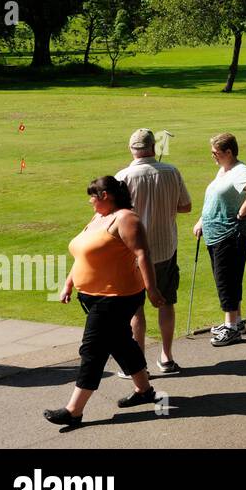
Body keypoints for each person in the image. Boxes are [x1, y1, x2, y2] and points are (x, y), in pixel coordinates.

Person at [44, 177, 163, 428]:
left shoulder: (126, 218)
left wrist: (152, 290)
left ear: (106, 195)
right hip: (93, 296)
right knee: (120, 343)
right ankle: (145, 391)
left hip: (117, 298)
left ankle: (73, 411)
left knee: (92, 350)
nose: (90, 201)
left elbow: (142, 254)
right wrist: (68, 284)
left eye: (93, 196)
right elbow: (83, 254)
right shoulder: (98, 218)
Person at [115, 129, 191, 376]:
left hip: (133, 254)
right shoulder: (171, 171)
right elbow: (186, 206)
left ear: (131, 149)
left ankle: (139, 366)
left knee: (136, 309)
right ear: (153, 148)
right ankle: (167, 358)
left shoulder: (123, 176)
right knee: (166, 303)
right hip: (166, 248)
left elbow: (114, 217)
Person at [193, 133, 246, 347]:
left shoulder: (240, 171)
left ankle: (230, 327)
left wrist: (242, 212)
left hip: (230, 234)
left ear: (229, 152)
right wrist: (202, 220)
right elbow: (216, 198)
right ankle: (237, 321)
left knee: (226, 279)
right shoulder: (224, 170)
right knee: (229, 278)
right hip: (216, 233)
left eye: (216, 153)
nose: (212, 156)